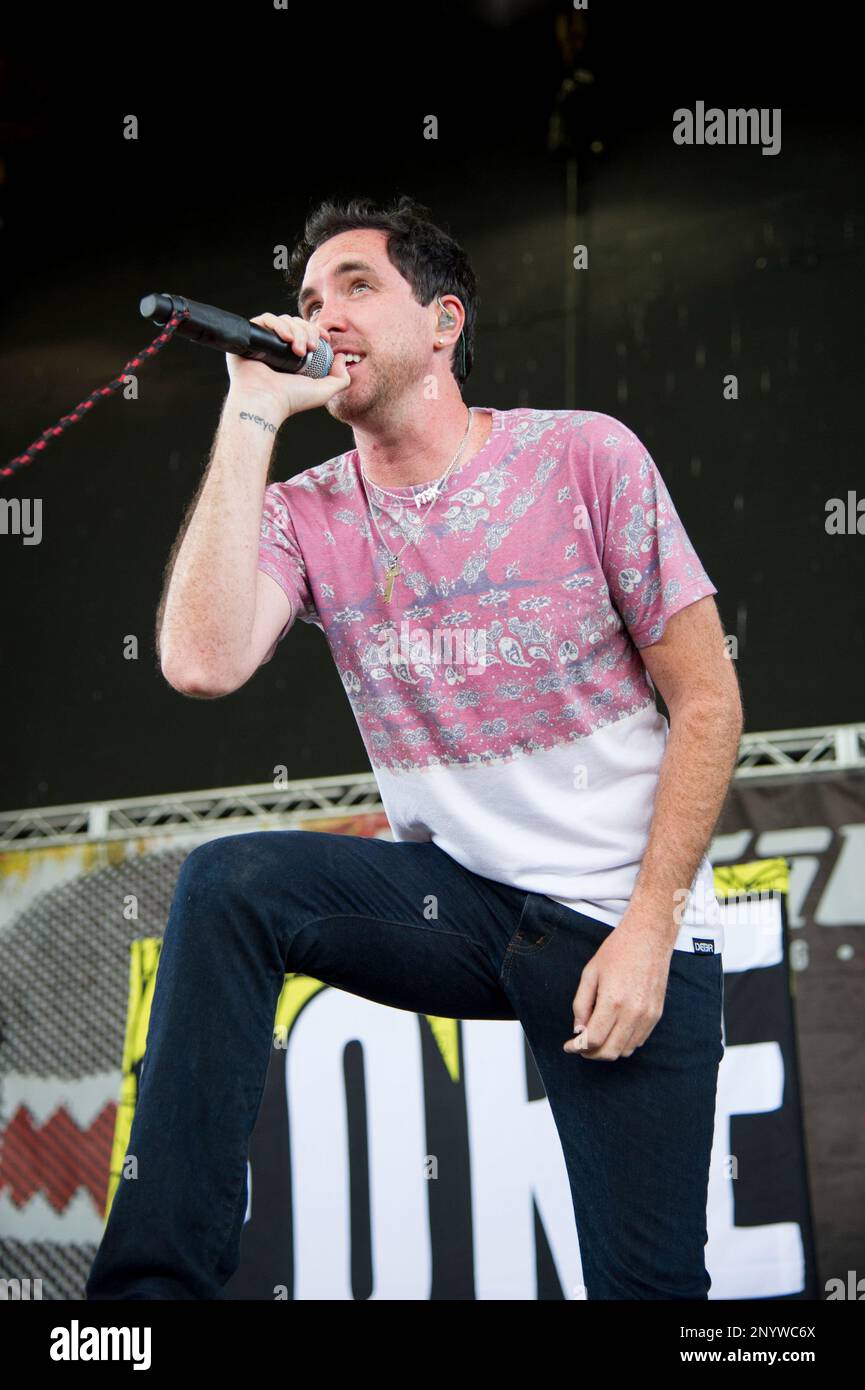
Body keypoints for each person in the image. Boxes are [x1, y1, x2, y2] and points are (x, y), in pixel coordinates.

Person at [86, 194, 743, 1301]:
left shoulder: (584, 457)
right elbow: (199, 662)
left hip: (618, 928)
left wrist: (647, 925)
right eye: (304, 299)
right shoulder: (306, 510)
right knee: (231, 883)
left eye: (354, 287)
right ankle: (151, 1300)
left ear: (442, 324)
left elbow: (710, 705)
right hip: (460, 909)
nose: (320, 314)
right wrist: (250, 409)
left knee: (654, 1292)